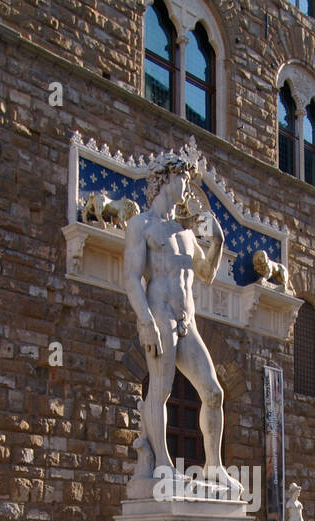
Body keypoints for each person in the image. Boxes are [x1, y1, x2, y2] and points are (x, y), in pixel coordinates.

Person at [122, 147, 240, 495]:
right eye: (184, 181)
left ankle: (215, 468)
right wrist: (144, 320)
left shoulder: (185, 233)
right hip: (159, 315)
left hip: (188, 321)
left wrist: (216, 241)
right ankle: (162, 464)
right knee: (160, 389)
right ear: (166, 179)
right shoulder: (141, 224)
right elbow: (130, 278)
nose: (187, 189)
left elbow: (205, 273)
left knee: (214, 392)